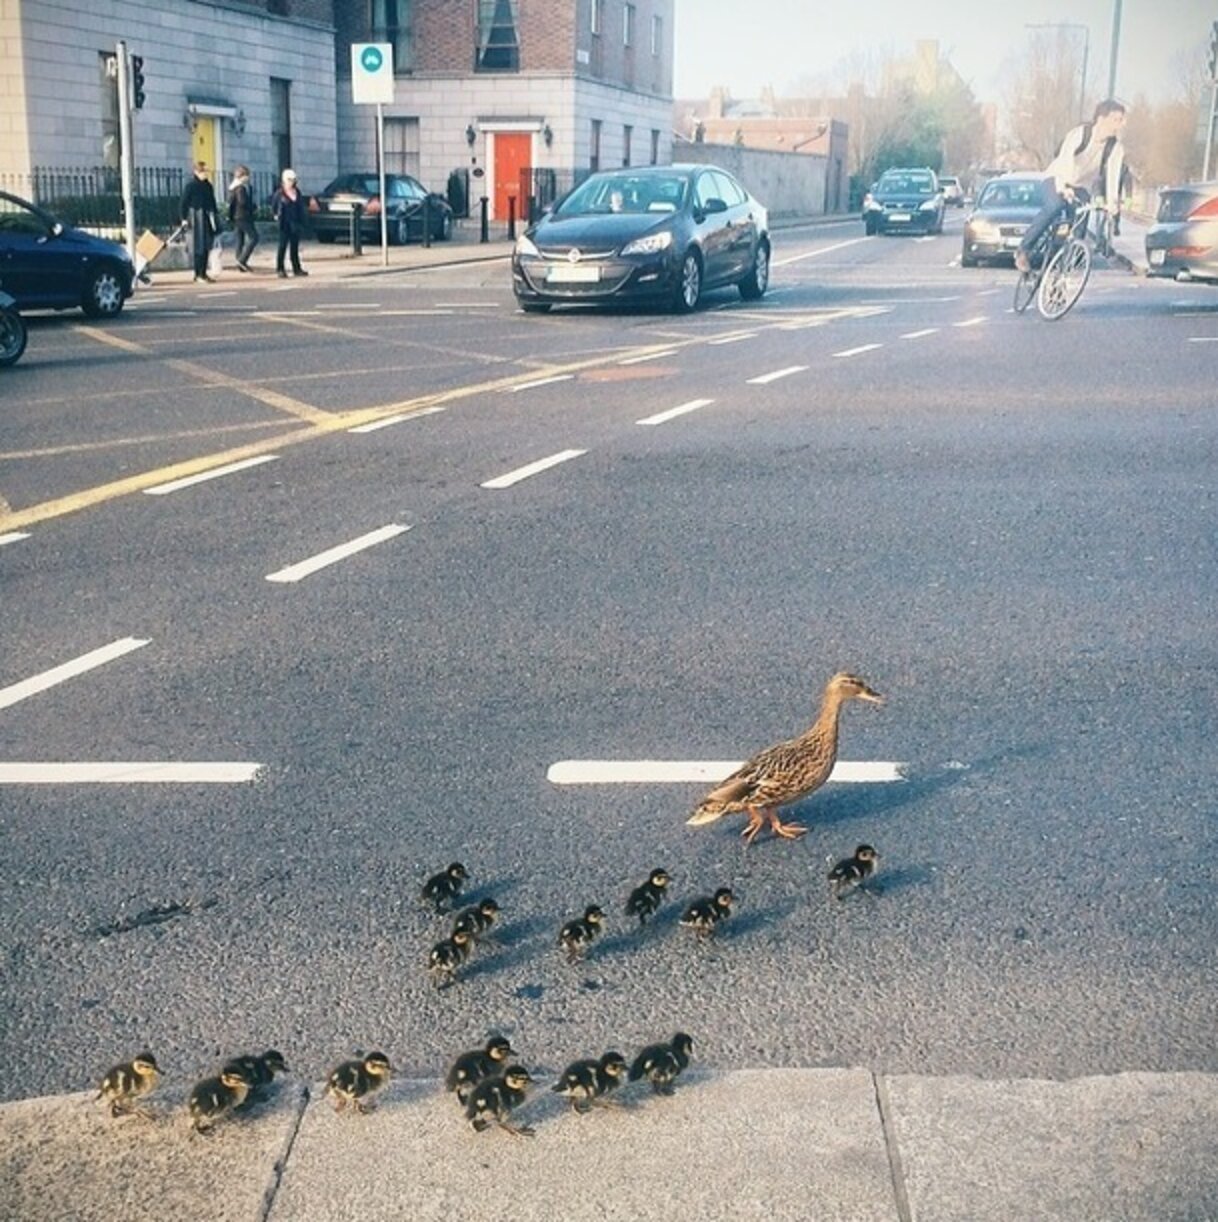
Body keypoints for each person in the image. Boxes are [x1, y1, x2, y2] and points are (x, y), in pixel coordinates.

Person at [1015, 99, 1127, 273]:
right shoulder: (1080, 134)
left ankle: (1062, 270)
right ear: (1101, 119)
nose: (1120, 124)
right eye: (1116, 120)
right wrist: (1063, 187)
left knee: (1080, 224)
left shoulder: (1115, 147)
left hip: (1080, 186)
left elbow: (1113, 175)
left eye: (1122, 120)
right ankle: (1024, 250)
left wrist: (1112, 204)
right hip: (1056, 177)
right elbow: (1065, 159)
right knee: (1055, 205)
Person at [180, 161, 219, 283]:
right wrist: (183, 219)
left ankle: (203, 272)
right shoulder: (191, 185)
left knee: (206, 245)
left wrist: (215, 215)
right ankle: (198, 274)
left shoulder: (208, 186)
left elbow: (212, 202)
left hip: (207, 217)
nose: (205, 174)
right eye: (203, 171)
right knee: (198, 246)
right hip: (196, 217)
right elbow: (183, 203)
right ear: (196, 172)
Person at [270, 168, 309, 278]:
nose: (292, 182)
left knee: (294, 247)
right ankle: (280, 269)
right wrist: (276, 216)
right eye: (289, 180)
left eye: (293, 180)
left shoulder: (297, 192)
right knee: (282, 247)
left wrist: (303, 221)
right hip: (284, 224)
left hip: (295, 223)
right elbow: (274, 207)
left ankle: (297, 269)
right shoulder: (279, 194)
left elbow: (300, 207)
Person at [226, 165, 259, 272]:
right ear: (242, 176)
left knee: (240, 240)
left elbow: (231, 204)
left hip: (236, 217)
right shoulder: (240, 188)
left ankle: (240, 262)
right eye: (247, 175)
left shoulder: (233, 187)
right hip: (243, 216)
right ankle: (242, 260)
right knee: (254, 237)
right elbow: (242, 202)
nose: (248, 178)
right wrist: (253, 207)